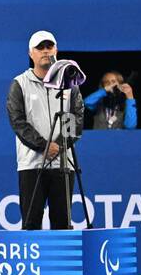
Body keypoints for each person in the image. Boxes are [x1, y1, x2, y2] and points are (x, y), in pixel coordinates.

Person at [5, 31, 83, 230]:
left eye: (49, 47)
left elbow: (77, 116)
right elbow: (18, 121)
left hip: (63, 163)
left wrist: (61, 145)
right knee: (31, 224)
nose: (46, 51)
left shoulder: (70, 84)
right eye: (40, 48)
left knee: (63, 224)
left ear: (56, 50)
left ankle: (62, 261)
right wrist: (44, 146)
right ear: (31, 53)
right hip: (32, 164)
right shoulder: (19, 84)